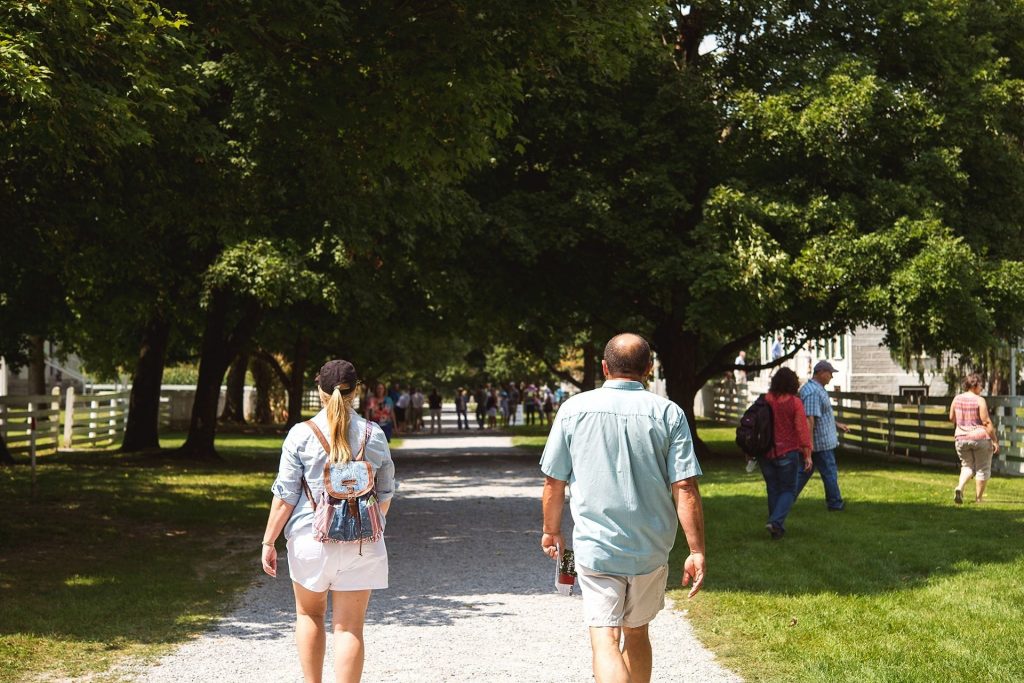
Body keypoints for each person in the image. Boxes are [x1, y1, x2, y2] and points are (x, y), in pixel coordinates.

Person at [540, 333, 706, 683]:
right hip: (650, 548)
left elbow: (554, 482)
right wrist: (696, 550)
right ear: (649, 369)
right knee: (637, 632)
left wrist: (551, 530)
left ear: (604, 367)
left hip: (597, 548)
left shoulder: (573, 410)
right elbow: (685, 486)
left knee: (605, 638)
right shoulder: (669, 414)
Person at [261, 360, 395, 683]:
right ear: (356, 391)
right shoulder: (373, 434)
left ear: (320, 391)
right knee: (349, 627)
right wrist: (362, 526)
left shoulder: (300, 435)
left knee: (309, 614)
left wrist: (268, 541)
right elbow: (386, 494)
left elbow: (285, 497)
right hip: (363, 544)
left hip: (311, 541)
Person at [760, 367, 812, 540]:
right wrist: (807, 453)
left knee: (773, 489)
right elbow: (802, 430)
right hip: (787, 452)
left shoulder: (765, 400)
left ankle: (776, 528)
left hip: (765, 453)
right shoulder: (795, 403)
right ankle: (775, 522)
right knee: (789, 489)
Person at [796, 361, 849, 511]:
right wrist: (809, 446)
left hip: (820, 442)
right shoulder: (813, 391)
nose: (832, 376)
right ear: (821, 372)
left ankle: (785, 499)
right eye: (830, 373)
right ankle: (835, 504)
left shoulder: (817, 389)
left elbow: (822, 414)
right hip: (820, 444)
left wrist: (837, 424)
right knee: (829, 473)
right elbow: (809, 419)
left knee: (803, 473)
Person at [949, 373, 999, 504]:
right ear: (975, 385)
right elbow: (986, 422)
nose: (981, 388)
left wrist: (963, 421)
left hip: (961, 438)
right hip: (979, 438)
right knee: (983, 468)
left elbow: (951, 418)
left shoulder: (956, 398)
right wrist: (994, 440)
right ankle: (978, 499)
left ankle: (960, 487)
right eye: (981, 385)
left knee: (966, 466)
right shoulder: (979, 400)